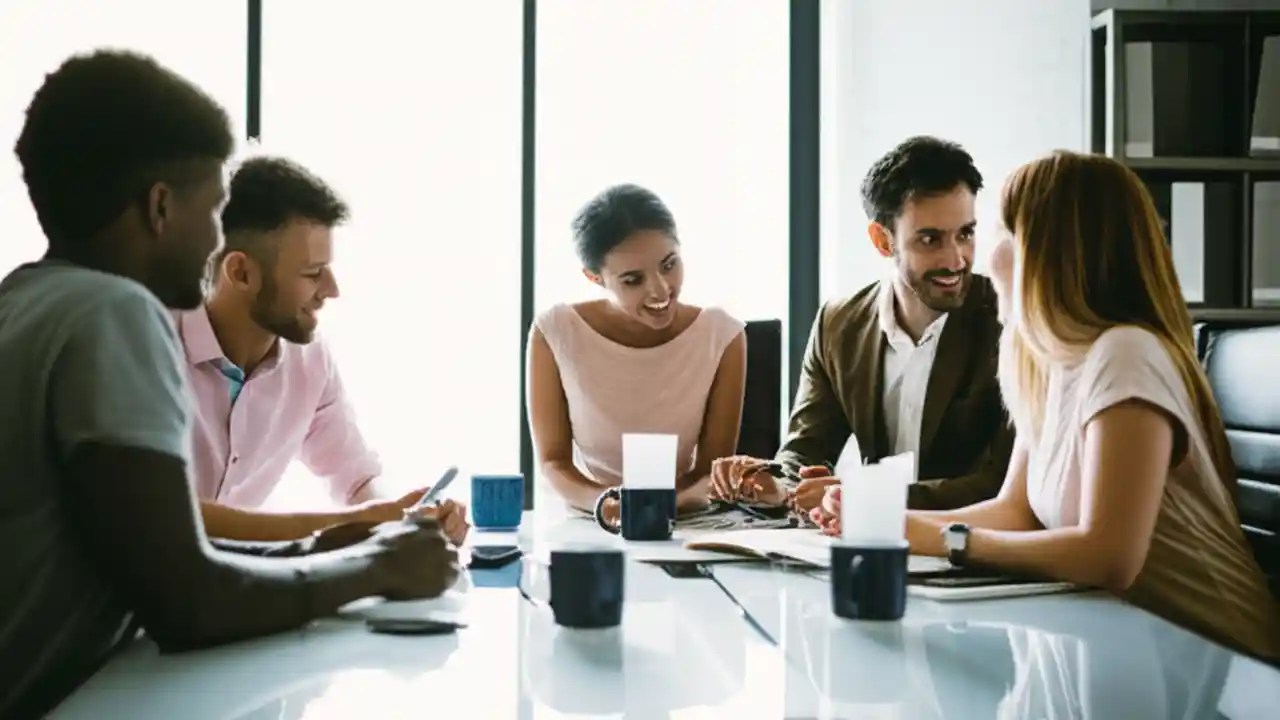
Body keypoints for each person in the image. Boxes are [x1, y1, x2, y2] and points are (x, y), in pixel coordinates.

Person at [0, 50, 457, 719]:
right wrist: (375, 568)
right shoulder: (115, 315)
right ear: (160, 207)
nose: (218, 237)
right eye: (214, 209)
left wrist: (311, 546)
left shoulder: (25, 299)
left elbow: (135, 547)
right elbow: (186, 601)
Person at [814, 151, 1280, 659]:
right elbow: (1014, 511)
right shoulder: (1046, 361)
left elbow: (1108, 556)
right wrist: (879, 518)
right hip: (1118, 641)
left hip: (1217, 663)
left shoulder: (1124, 354)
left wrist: (946, 540)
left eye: (997, 233)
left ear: (1049, 250)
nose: (980, 257)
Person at [711, 136, 1012, 514]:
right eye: (930, 239)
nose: (956, 259)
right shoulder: (839, 325)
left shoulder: (1009, 319)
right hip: (871, 543)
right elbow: (804, 453)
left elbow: (1003, 482)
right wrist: (772, 485)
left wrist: (866, 495)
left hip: (970, 548)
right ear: (883, 241)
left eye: (965, 234)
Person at [175, 156, 468, 545]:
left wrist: (410, 513)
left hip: (227, 583)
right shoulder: (147, 343)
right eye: (313, 273)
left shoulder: (309, 361)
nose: (332, 290)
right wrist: (361, 522)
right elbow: (166, 513)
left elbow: (357, 478)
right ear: (241, 273)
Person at [527, 184, 747, 522]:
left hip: (686, 518)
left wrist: (655, 510)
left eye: (669, 264)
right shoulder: (555, 332)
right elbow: (553, 463)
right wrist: (607, 505)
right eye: (633, 280)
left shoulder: (723, 335)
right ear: (595, 277)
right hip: (587, 518)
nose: (660, 289)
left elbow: (711, 470)